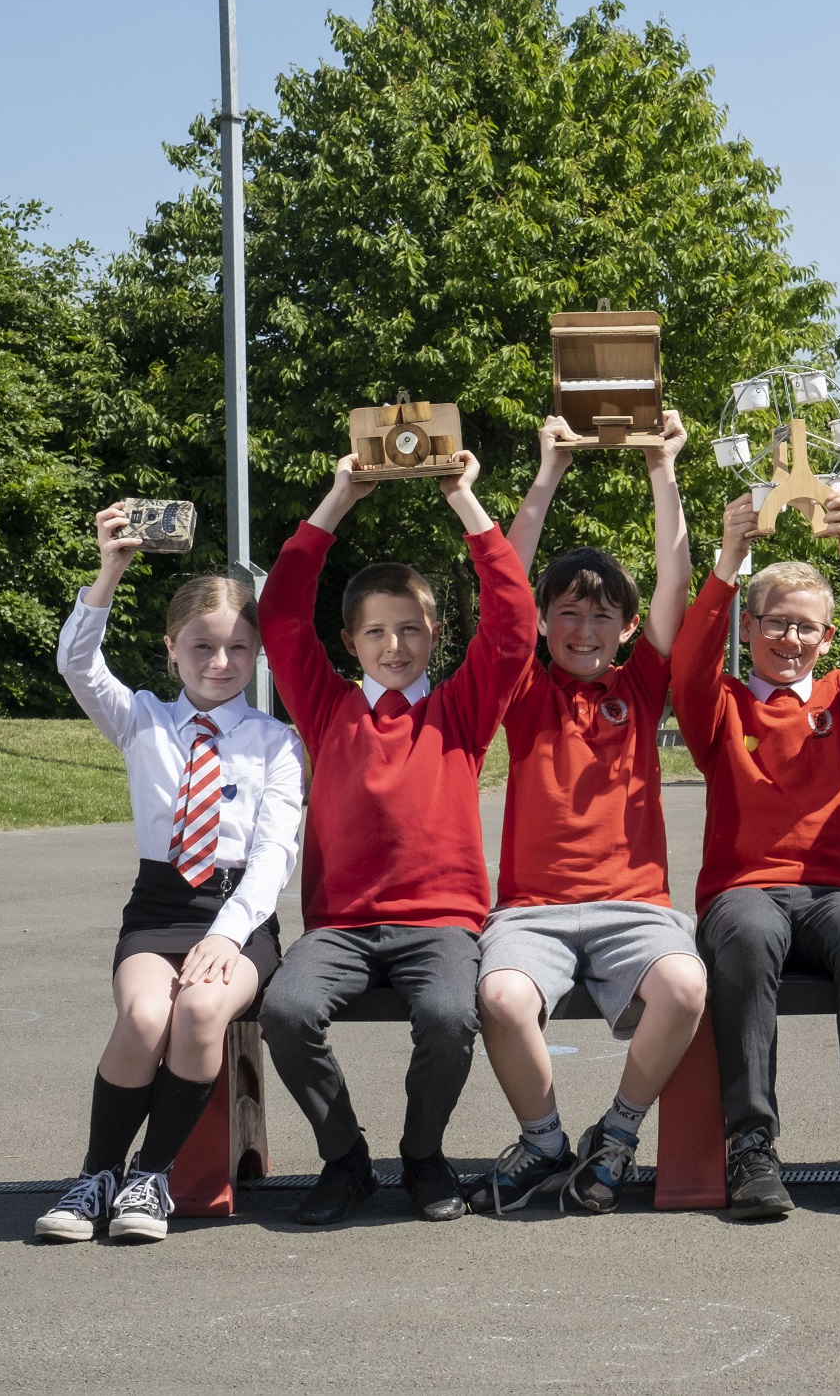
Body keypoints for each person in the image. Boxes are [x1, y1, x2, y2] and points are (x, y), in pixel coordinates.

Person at [258, 451, 536, 1225]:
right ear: (351, 642)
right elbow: (280, 612)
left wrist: (465, 501)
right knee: (285, 1009)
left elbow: (513, 623)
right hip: (341, 927)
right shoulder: (325, 707)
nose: (394, 646)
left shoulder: (461, 709)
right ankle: (346, 1159)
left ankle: (421, 1154)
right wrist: (340, 496)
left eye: (410, 630)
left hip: (439, 924)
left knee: (451, 1016)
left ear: (434, 635)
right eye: (376, 631)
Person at [35, 505, 306, 1244]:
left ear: (257, 655)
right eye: (202, 646)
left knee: (197, 1012)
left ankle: (150, 1179)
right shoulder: (141, 720)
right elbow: (76, 665)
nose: (221, 662)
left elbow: (277, 853)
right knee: (148, 1015)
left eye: (238, 649)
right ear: (170, 650)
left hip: (239, 916)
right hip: (158, 909)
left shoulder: (274, 741)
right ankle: (96, 1175)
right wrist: (110, 569)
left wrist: (227, 935)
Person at [465, 414, 710, 1216]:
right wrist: (548, 473)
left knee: (684, 985)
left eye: (603, 615)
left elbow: (676, 584)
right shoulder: (524, 689)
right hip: (532, 912)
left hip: (630, 907)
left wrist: (662, 470)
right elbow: (504, 578)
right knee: (500, 998)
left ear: (628, 629)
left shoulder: (639, 687)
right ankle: (544, 1141)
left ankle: (619, 1133)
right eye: (567, 612)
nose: (583, 629)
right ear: (541, 621)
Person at [678, 482, 840, 1219]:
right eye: (776, 624)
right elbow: (686, 662)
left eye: (806, 629)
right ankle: (752, 1149)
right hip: (743, 895)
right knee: (749, 938)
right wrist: (728, 561)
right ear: (747, 629)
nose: (791, 640)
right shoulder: (719, 704)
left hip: (831, 896)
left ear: (828, 637)